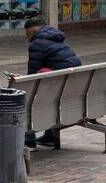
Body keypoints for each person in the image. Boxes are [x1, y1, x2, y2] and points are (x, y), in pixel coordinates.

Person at [24, 17, 81, 148]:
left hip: (57, 88)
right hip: (70, 87)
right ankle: (50, 135)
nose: (28, 38)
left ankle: (28, 139)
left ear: (34, 31)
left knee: (25, 99)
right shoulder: (58, 38)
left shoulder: (37, 43)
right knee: (50, 95)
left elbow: (32, 75)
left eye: (28, 34)